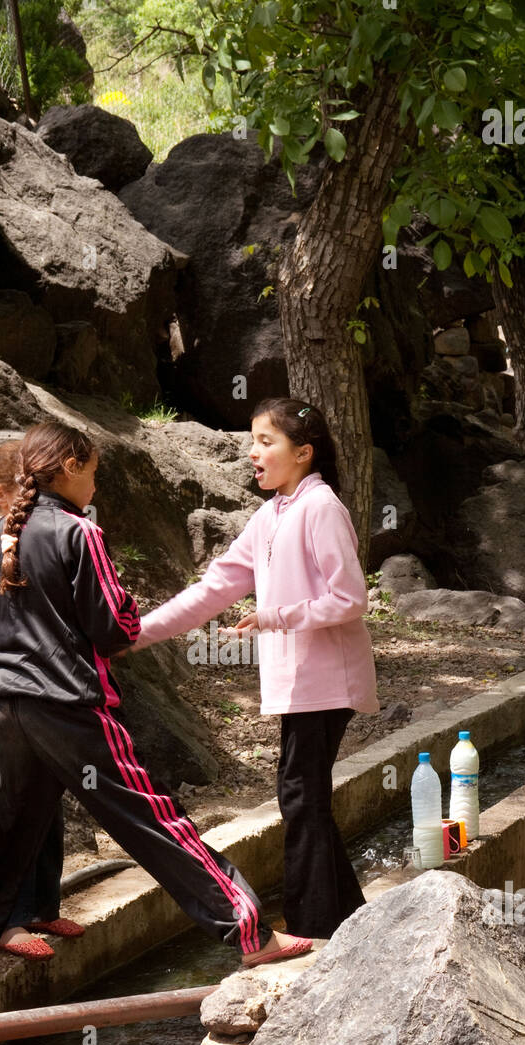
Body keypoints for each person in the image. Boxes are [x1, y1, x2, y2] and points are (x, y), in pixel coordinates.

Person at [0, 420, 311, 1004]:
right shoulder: (79, 534)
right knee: (154, 821)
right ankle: (250, 932)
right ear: (70, 467)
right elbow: (114, 628)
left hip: (0, 707)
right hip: (69, 708)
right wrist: (125, 608)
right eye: (94, 474)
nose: (95, 487)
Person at [132, 398, 378, 940]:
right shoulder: (270, 515)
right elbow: (212, 589)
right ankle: (348, 918)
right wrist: (136, 633)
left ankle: (312, 926)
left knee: (299, 797)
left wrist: (275, 615)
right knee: (304, 797)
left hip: (327, 680)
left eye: (266, 442)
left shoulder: (321, 508)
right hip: (298, 685)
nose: (252, 453)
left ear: (303, 452)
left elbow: (351, 598)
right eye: (253, 440)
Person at [0, 442, 83, 962]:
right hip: (2, 696)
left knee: (46, 804)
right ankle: (4, 922)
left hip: (44, 695)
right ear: (5, 493)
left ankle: (40, 905)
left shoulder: (41, 538)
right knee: (4, 812)